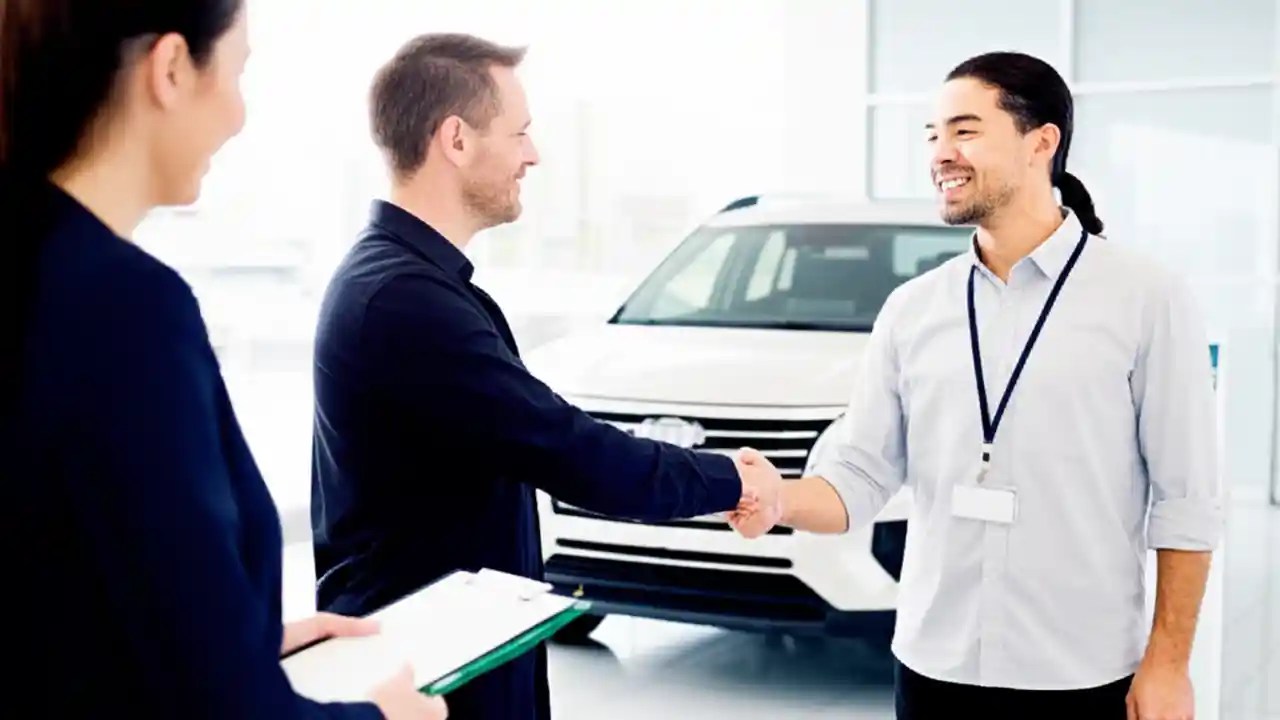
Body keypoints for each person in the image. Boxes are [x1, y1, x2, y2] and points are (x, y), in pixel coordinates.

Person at [730, 51, 1220, 720]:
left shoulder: (1145, 298)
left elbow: (1186, 497)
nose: (941, 153)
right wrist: (775, 499)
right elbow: (860, 474)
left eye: (964, 130)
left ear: (1040, 143)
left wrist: (1168, 666)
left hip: (1082, 673)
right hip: (935, 666)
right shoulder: (913, 308)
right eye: (933, 135)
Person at [310, 33, 779, 720]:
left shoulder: (410, 283)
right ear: (456, 139)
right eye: (520, 132)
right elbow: (573, 453)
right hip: (428, 670)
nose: (533, 154)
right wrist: (736, 479)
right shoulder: (404, 299)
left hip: (454, 647)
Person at [0, 2, 446, 717]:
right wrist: (386, 716)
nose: (239, 115)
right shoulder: (122, 310)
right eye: (238, 71)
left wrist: (229, 642)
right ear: (171, 69)